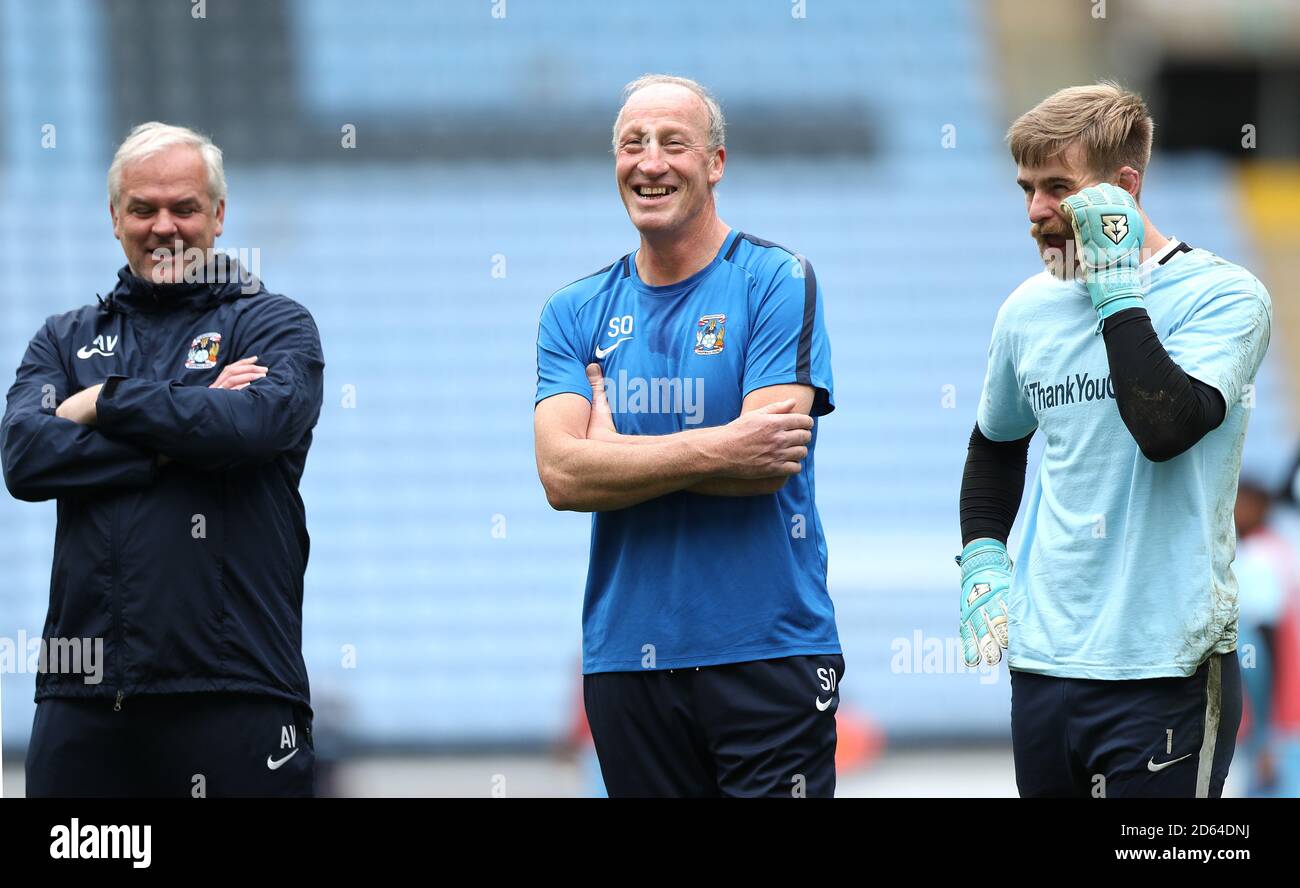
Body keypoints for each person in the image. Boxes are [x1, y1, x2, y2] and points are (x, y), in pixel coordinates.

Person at [958, 83, 1272, 797]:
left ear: (1125, 189)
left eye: (1059, 189)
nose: (1038, 212)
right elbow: (995, 444)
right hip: (1044, 664)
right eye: (1028, 189)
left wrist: (1115, 289)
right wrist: (981, 551)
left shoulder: (1223, 296)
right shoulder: (1025, 311)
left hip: (1167, 667)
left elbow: (1165, 428)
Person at [533, 75, 841, 797]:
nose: (650, 162)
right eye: (632, 145)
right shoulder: (572, 311)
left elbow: (772, 458)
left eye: (674, 143)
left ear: (716, 162)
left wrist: (611, 455)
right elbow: (561, 477)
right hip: (625, 664)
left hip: (769, 652)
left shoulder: (774, 280)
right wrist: (724, 444)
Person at [1, 122, 324, 797]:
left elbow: (253, 426)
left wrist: (104, 402)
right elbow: (26, 457)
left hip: (236, 684)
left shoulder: (272, 323)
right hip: (82, 689)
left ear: (219, 215)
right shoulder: (62, 340)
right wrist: (186, 427)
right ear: (114, 217)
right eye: (144, 209)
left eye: (184, 207)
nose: (164, 226)